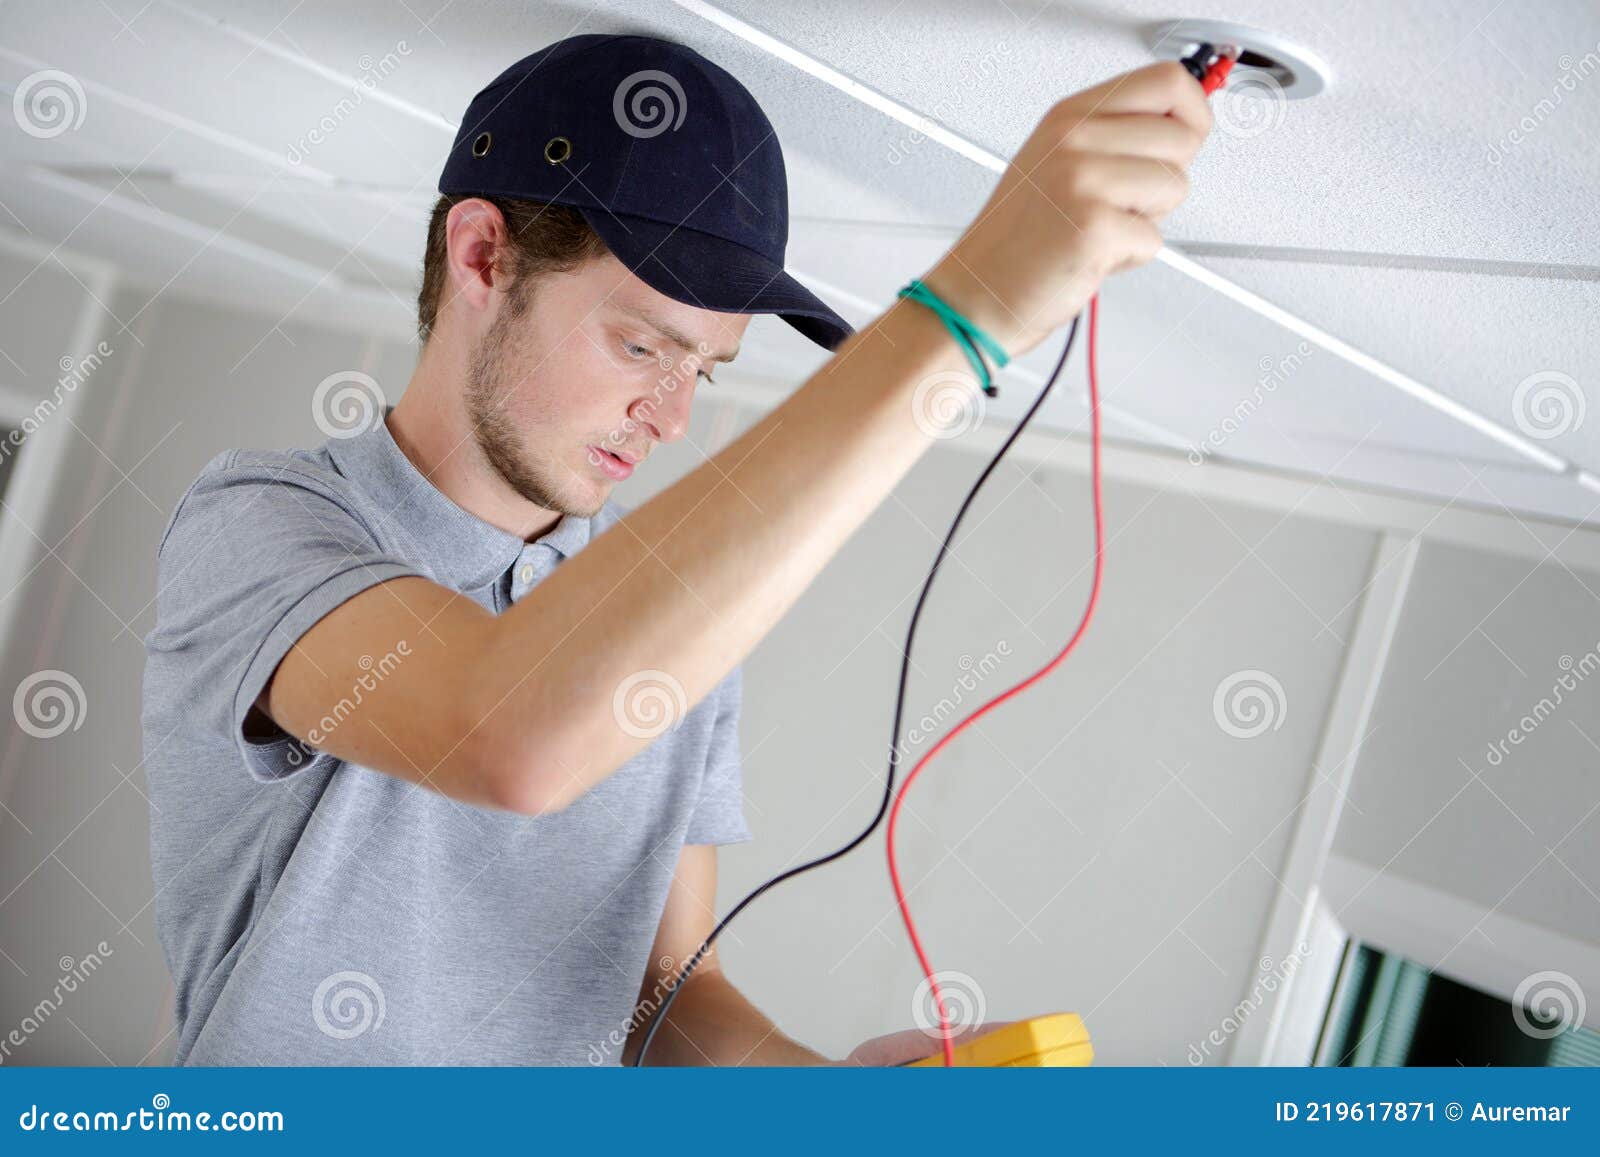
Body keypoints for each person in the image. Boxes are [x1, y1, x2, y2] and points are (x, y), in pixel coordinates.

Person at [142, 33, 1211, 1066]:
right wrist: (961, 311)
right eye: (641, 342)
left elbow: (658, 994)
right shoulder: (261, 522)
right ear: (481, 255)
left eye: (705, 369)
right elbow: (506, 731)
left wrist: (818, 1094)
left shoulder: (668, 609)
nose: (667, 415)